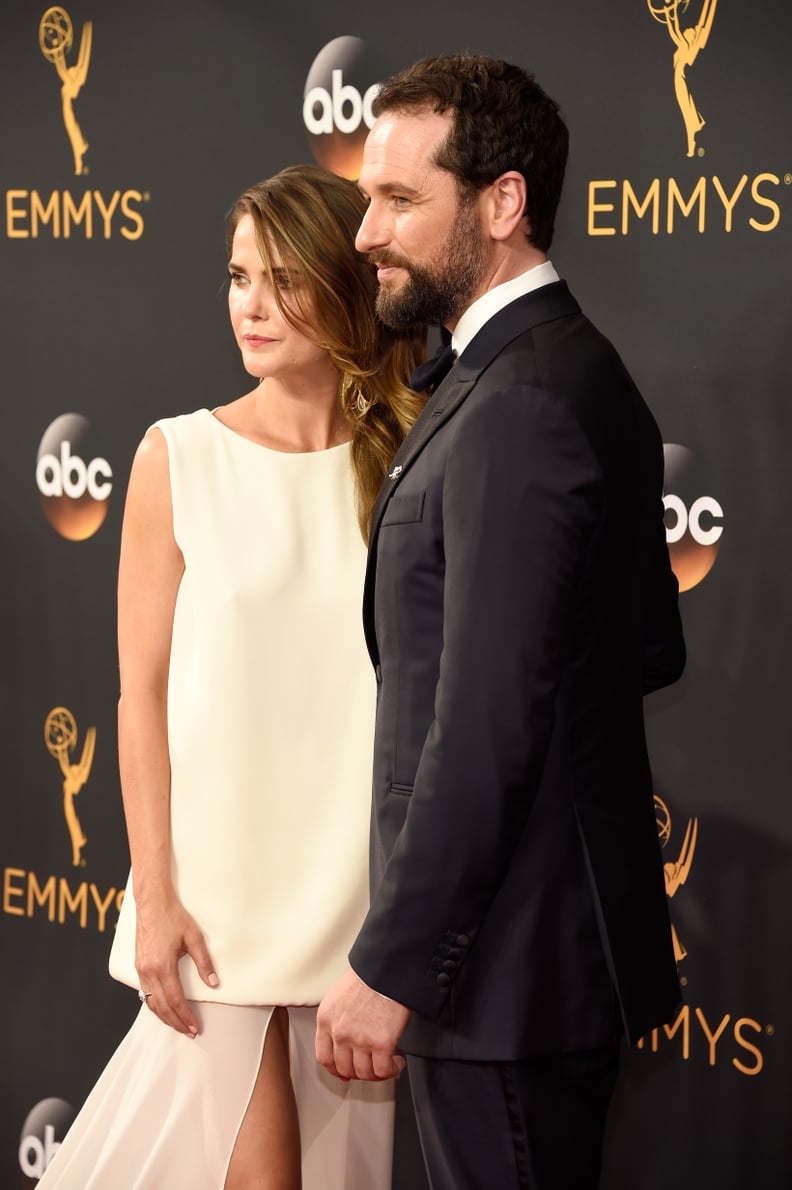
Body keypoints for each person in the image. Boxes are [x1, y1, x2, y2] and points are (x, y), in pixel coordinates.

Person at [316, 53, 686, 1190]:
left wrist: (395, 961)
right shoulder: (548, 371)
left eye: (399, 199)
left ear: (502, 203)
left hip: (506, 976)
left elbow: (484, 720)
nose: (366, 233)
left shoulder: (523, 399)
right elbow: (641, 646)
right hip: (516, 963)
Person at [37, 164, 424, 1190]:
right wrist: (154, 892)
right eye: (238, 276)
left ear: (344, 286)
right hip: (214, 909)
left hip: (352, 905)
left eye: (282, 279)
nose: (250, 305)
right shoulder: (177, 457)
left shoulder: (407, 461)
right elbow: (141, 694)